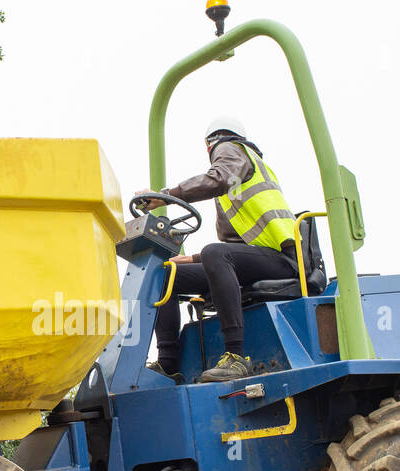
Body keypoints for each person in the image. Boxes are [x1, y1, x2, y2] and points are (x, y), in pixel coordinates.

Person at [136, 116, 326, 383]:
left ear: (209, 146)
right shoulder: (235, 191)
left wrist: (165, 195)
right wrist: (191, 258)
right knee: (166, 274)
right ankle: (168, 365)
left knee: (215, 252)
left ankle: (235, 358)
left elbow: (218, 181)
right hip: (256, 260)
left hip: (284, 259)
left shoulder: (231, 150)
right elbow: (238, 249)